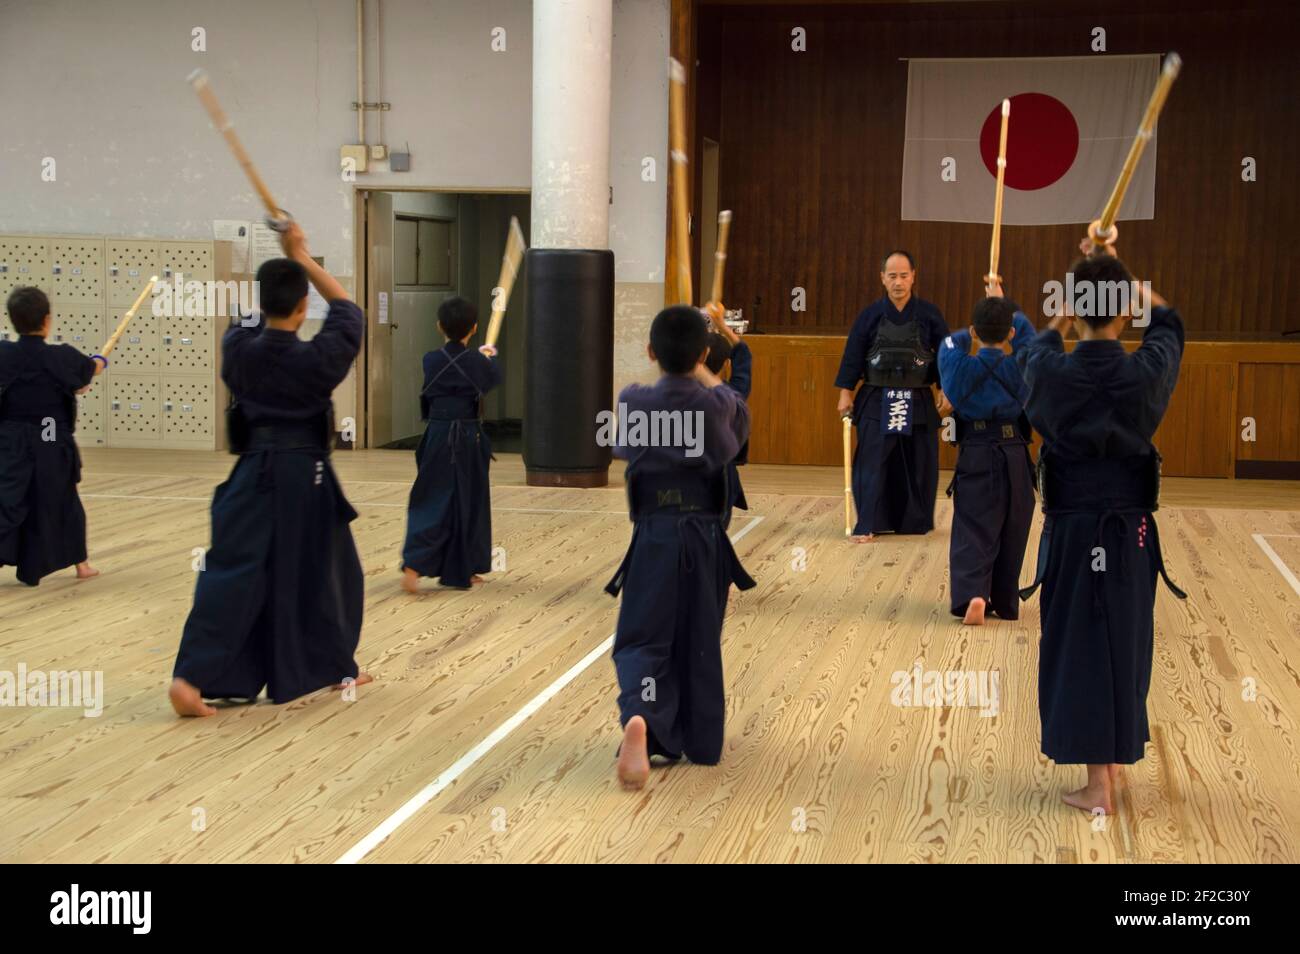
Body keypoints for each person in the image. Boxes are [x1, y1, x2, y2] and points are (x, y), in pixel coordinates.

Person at [169, 222, 369, 717]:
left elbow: (253, 320)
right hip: (306, 476)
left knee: (231, 572)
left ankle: (191, 678)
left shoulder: (238, 350)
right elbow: (348, 309)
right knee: (328, 571)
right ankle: (333, 666)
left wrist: (285, 268)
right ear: (303, 308)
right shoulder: (318, 359)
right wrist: (301, 256)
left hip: (251, 472)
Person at [1017, 252, 1186, 814]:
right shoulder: (1143, 374)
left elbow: (1037, 347)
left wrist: (1073, 304)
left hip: (1072, 531)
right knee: (1125, 640)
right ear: (1125, 314)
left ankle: (1098, 784)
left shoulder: (1051, 373)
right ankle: (1107, 769)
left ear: (1075, 309)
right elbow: (1169, 325)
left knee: (1079, 643)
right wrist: (1129, 283)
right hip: (1131, 533)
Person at [605, 305, 754, 789]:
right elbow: (740, 414)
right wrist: (705, 365)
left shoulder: (632, 401)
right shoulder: (717, 406)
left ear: (650, 351)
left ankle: (642, 715)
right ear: (704, 354)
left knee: (644, 637)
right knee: (699, 637)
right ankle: (700, 738)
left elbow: (623, 447)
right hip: (703, 537)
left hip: (652, 536)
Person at [834, 250, 950, 541]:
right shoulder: (870, 315)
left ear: (913, 276)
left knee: (919, 462)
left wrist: (946, 387)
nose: (898, 282)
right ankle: (868, 522)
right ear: (882, 278)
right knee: (872, 461)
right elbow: (853, 356)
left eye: (903, 275)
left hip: (919, 396)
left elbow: (947, 356)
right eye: (892, 276)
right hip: (876, 396)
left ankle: (915, 521)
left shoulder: (930, 314)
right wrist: (845, 393)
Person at [937, 285, 1036, 624]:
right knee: (1014, 526)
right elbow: (1028, 337)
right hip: (1015, 455)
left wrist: (981, 321)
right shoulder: (1022, 363)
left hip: (976, 450)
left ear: (975, 331)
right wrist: (1005, 303)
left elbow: (952, 342)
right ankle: (1005, 601)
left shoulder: (957, 365)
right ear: (1009, 332)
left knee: (973, 526)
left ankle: (973, 595)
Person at [0, 286, 105, 585]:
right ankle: (81, 565)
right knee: (62, 498)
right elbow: (91, 369)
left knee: (7, 498)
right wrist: (101, 362)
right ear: (47, 320)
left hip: (11, 436)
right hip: (49, 434)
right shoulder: (62, 357)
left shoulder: (4, 354)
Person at [400, 296, 501, 592]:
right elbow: (492, 377)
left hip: (437, 434)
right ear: (474, 328)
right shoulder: (480, 363)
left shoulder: (430, 359)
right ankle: (464, 569)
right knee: (468, 501)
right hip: (469, 436)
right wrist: (489, 354)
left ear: (439, 326)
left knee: (430, 495)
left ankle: (415, 562)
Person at [702, 300, 751, 521]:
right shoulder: (733, 395)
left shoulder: (679, 395)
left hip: (682, 476)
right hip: (721, 477)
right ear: (726, 365)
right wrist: (721, 324)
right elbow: (743, 354)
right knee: (716, 531)